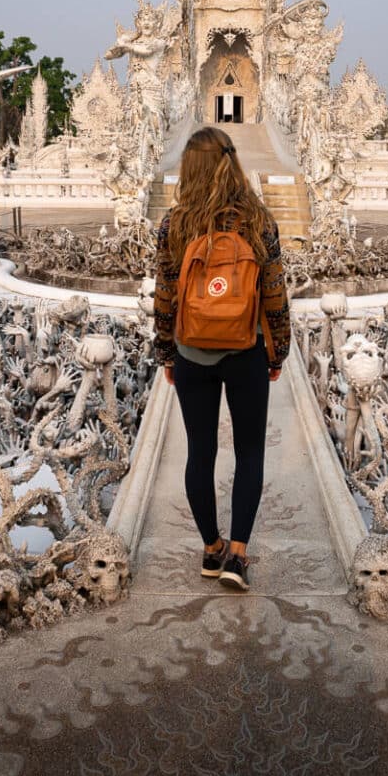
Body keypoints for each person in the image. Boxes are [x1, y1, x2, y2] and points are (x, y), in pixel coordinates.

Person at [153, 126, 290, 592]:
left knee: (201, 452)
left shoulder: (176, 223)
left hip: (193, 349)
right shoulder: (258, 220)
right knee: (250, 452)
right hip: (246, 347)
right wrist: (279, 349)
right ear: (232, 162)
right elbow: (274, 292)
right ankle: (237, 555)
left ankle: (210, 548)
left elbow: (165, 294)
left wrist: (166, 352)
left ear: (188, 168)